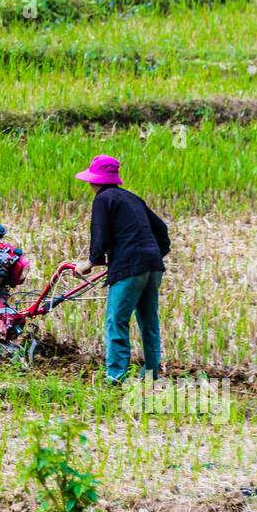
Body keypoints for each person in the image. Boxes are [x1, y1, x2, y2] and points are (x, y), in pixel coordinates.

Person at [74, 154, 170, 384]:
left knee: (116, 320)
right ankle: (151, 374)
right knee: (149, 321)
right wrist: (155, 254)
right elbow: (161, 229)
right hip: (153, 265)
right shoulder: (132, 198)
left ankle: (115, 376)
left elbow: (100, 232)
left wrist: (90, 262)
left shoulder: (103, 199)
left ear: (93, 181)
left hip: (130, 267)